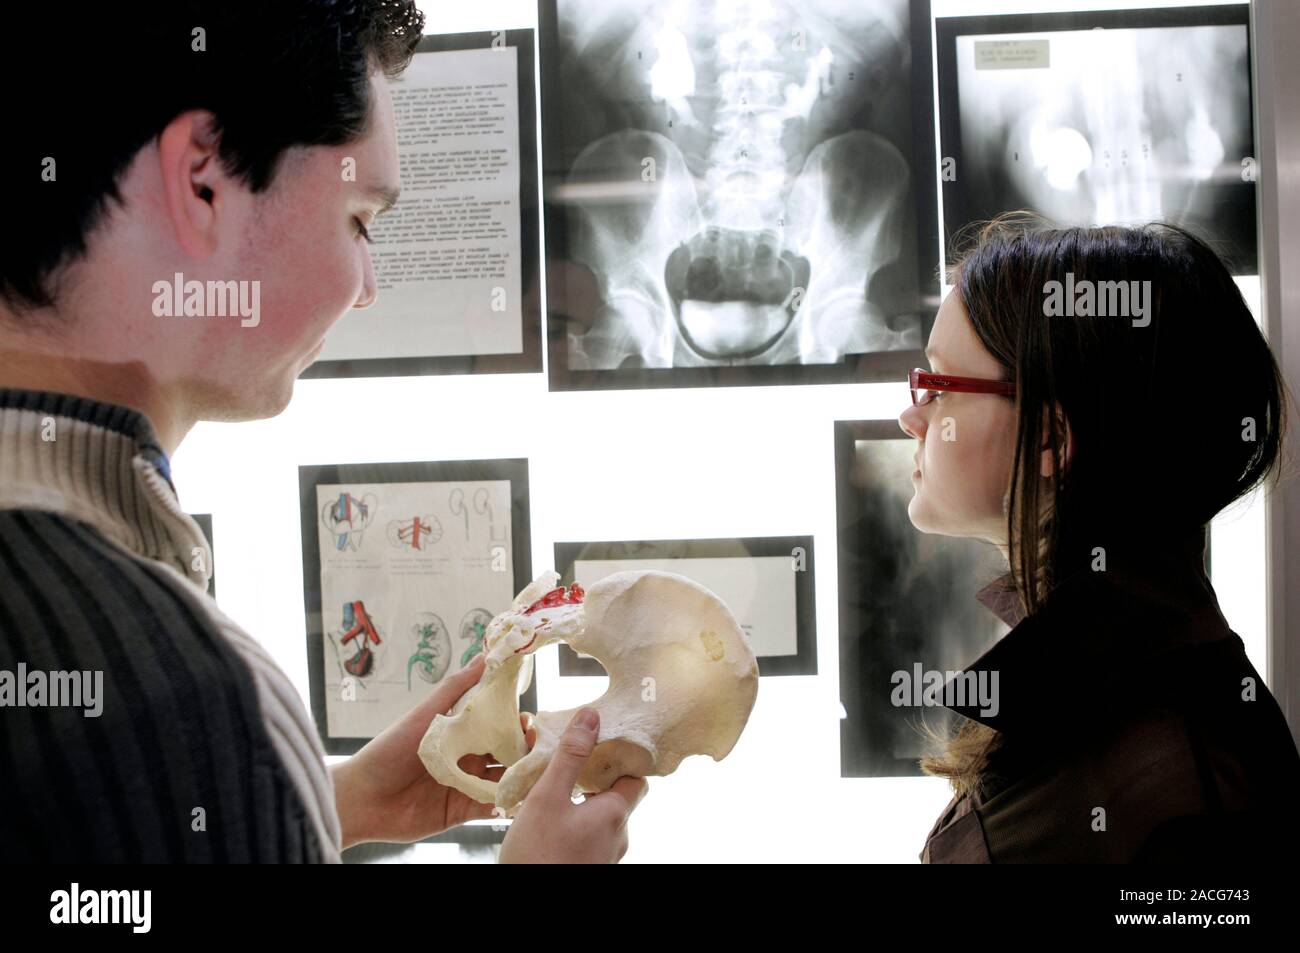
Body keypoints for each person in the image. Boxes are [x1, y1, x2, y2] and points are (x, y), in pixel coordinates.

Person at [0, 0, 645, 863]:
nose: (366, 284)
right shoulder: (174, 695)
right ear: (203, 181)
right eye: (360, 220)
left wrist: (319, 801)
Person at [897, 214, 1300, 862]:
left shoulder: (1164, 784)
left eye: (939, 384)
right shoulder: (1137, 675)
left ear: (1051, 437)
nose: (911, 413)